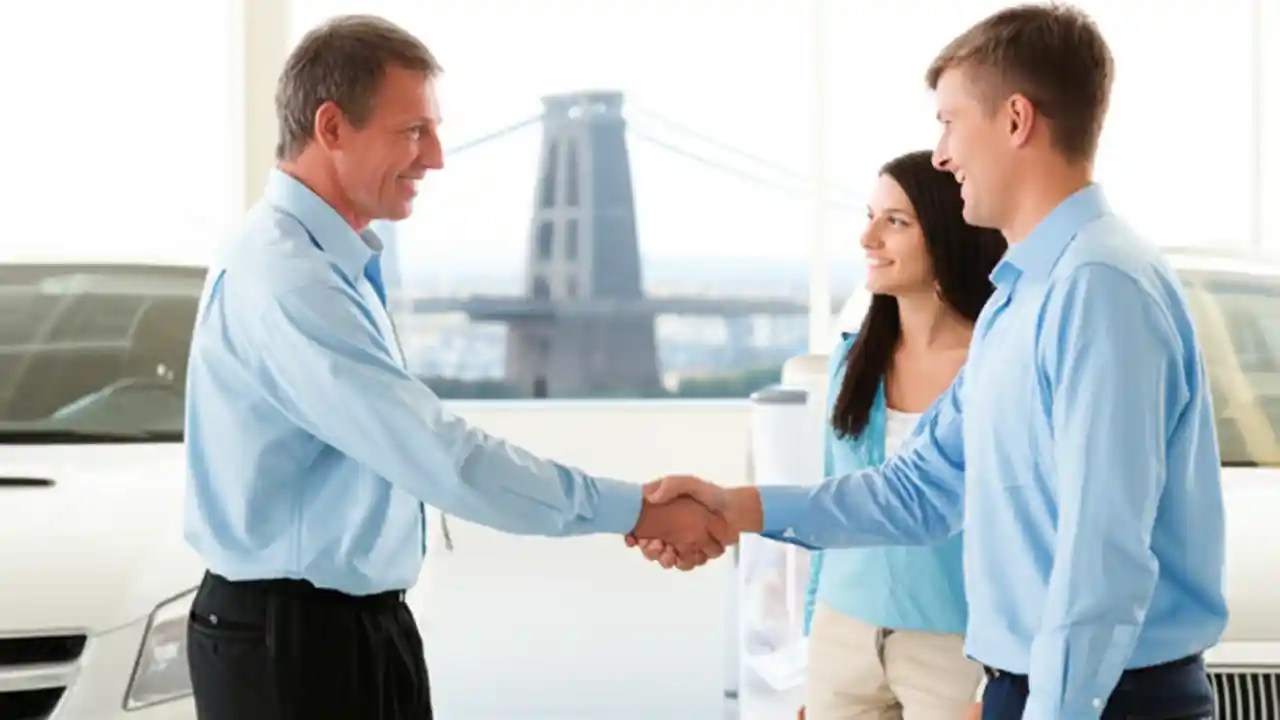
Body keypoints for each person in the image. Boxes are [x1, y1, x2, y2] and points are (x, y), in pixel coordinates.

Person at [633, 4, 1227, 718]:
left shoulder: (1098, 288)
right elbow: (921, 488)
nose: (941, 155)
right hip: (1035, 687)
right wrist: (739, 508)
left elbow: (1100, 556)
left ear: (1015, 120)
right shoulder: (1023, 294)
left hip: (1103, 700)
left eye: (948, 122)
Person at [182, 15, 730, 720]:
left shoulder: (324, 261)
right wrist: (637, 508)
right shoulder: (289, 278)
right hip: (296, 645)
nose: (436, 157)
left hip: (346, 629)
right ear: (332, 127)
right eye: (413, 131)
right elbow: (443, 458)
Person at [799, 150, 1005, 719]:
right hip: (843, 638)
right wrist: (810, 648)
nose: (868, 237)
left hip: (957, 648)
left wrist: (1001, 684)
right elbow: (831, 505)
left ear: (947, 234)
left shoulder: (996, 366)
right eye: (871, 215)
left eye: (895, 221)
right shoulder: (852, 362)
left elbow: (1027, 529)